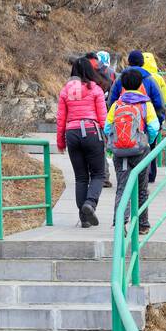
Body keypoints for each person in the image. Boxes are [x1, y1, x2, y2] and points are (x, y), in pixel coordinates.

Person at [105, 67, 161, 234]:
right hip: (140, 151)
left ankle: (120, 223)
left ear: (122, 84)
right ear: (139, 84)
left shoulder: (116, 104)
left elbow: (108, 128)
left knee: (122, 187)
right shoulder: (146, 104)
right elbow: (154, 127)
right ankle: (143, 225)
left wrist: (115, 143)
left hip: (121, 153)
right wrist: (148, 142)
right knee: (142, 188)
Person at [56, 56, 107, 227]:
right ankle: (90, 204)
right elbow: (103, 117)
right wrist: (107, 137)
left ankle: (84, 219)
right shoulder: (95, 89)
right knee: (98, 174)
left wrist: (60, 142)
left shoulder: (65, 91)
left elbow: (60, 119)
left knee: (80, 177)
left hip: (72, 133)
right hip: (92, 131)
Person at [108, 50, 166, 184]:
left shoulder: (120, 79)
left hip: (123, 122)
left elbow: (111, 101)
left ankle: (126, 177)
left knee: (125, 146)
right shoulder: (150, 80)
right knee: (148, 148)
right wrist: (158, 121)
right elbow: (159, 103)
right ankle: (148, 177)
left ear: (128, 62)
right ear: (143, 63)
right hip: (145, 123)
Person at [85, 51, 115, 188]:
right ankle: (103, 176)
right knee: (102, 145)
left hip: (88, 114)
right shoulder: (111, 73)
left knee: (89, 146)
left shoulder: (86, 72)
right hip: (105, 113)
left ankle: (90, 175)